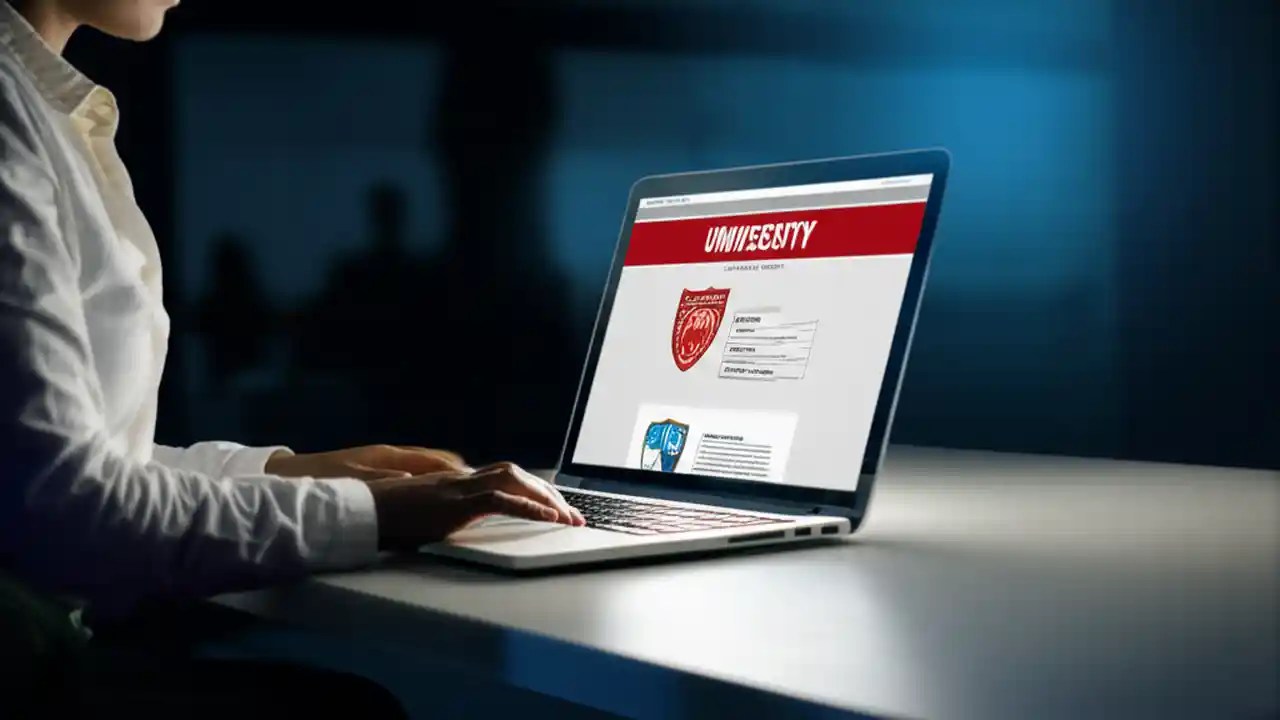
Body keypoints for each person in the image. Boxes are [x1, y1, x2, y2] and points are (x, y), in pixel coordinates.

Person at [0, 0, 586, 716]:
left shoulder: (37, 107)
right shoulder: (8, 119)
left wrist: (290, 472)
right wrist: (375, 512)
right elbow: (67, 508)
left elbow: (51, 463)